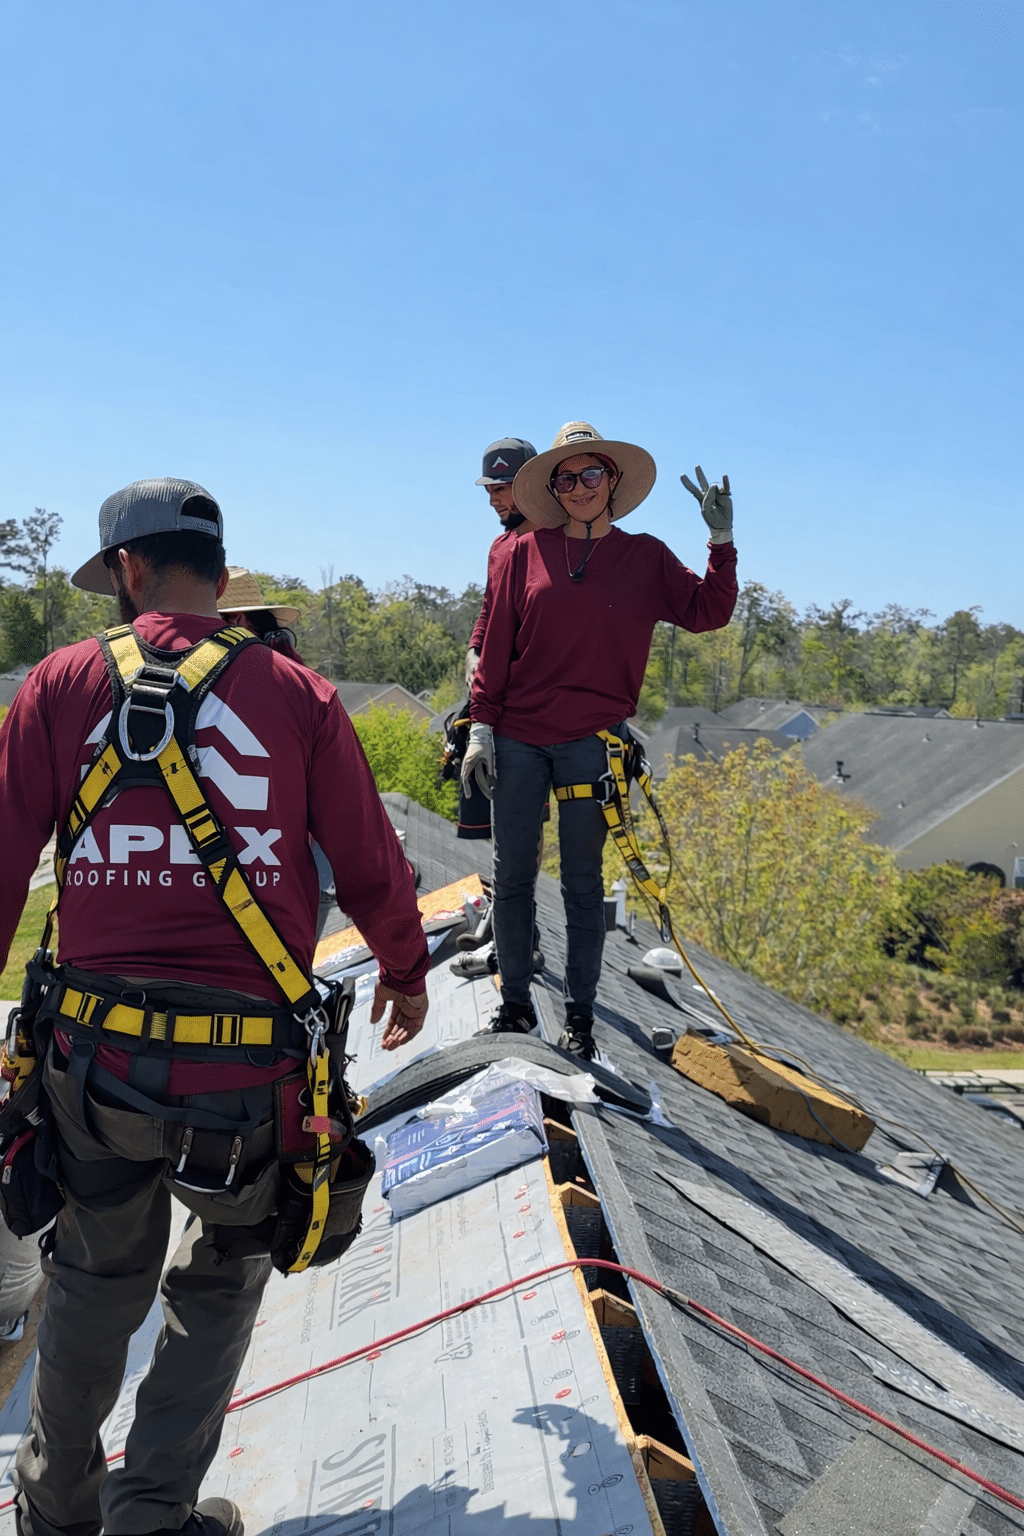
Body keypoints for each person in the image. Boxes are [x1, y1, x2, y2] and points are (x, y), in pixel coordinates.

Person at [0, 478, 430, 1536]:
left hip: (92, 1062)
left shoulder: (59, 685)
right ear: (222, 576)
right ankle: (152, 1519)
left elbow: (3, 859)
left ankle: (54, 1514)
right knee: (225, 1276)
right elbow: (372, 861)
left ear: (129, 571)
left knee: (96, 1278)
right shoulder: (299, 694)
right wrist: (408, 972)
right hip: (244, 1075)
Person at [463, 423, 738, 1061]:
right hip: (520, 737)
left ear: (612, 481)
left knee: (583, 883)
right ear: (552, 488)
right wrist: (480, 725)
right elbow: (495, 645)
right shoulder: (518, 553)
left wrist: (720, 541)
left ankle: (580, 1022)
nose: (580, 488)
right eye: (566, 478)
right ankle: (515, 1007)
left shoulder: (646, 558)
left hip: (593, 740)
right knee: (513, 874)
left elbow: (707, 612)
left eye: (592, 475)